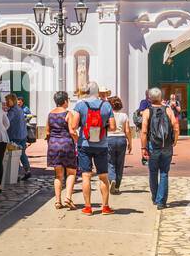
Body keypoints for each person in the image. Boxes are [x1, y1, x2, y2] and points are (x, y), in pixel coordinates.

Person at [70, 82, 113, 215]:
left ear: (87, 91)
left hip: (85, 144)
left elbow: (73, 126)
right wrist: (102, 125)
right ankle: (105, 207)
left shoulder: (80, 105)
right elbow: (112, 127)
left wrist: (80, 132)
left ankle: (88, 207)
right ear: (98, 92)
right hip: (101, 144)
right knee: (103, 176)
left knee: (86, 176)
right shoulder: (106, 105)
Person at [140, 86, 178, 209]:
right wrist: (175, 141)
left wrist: (143, 148)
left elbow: (144, 131)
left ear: (150, 98)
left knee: (153, 172)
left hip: (153, 146)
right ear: (161, 97)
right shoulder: (168, 110)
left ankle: (155, 198)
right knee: (164, 173)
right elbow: (175, 126)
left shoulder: (147, 112)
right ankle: (161, 202)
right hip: (167, 145)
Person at [45, 90, 78, 210]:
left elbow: (47, 132)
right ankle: (68, 198)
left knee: (58, 175)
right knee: (71, 172)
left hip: (53, 145)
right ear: (65, 101)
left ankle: (58, 201)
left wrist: (51, 143)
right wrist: (77, 140)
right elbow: (72, 131)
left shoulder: (50, 114)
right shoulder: (68, 114)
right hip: (66, 145)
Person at [107, 96, 133, 193]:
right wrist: (130, 142)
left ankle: (112, 178)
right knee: (120, 163)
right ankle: (117, 186)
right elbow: (127, 130)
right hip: (121, 139)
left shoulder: (108, 115)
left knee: (110, 161)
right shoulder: (124, 115)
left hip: (110, 138)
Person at [5, 93, 32, 181]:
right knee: (22, 154)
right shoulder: (19, 109)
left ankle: (15, 174)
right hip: (22, 135)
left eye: (7, 101)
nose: (6, 102)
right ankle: (27, 170)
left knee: (14, 155)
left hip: (14, 135)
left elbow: (6, 121)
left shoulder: (13, 111)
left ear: (12, 101)